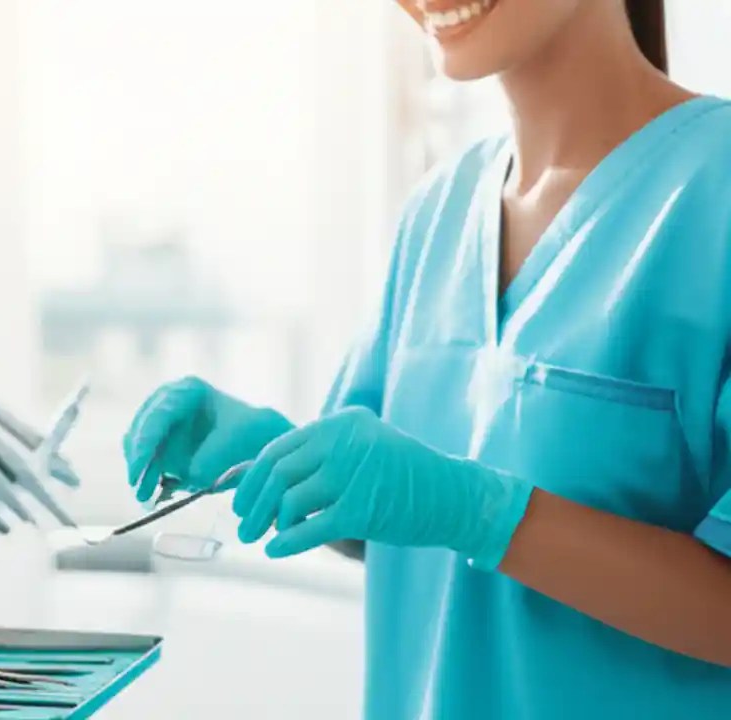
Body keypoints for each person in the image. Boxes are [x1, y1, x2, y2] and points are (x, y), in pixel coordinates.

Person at [122, 1, 731, 717]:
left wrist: (477, 513)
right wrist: (268, 456)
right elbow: (396, 525)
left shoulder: (713, 197)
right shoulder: (438, 212)